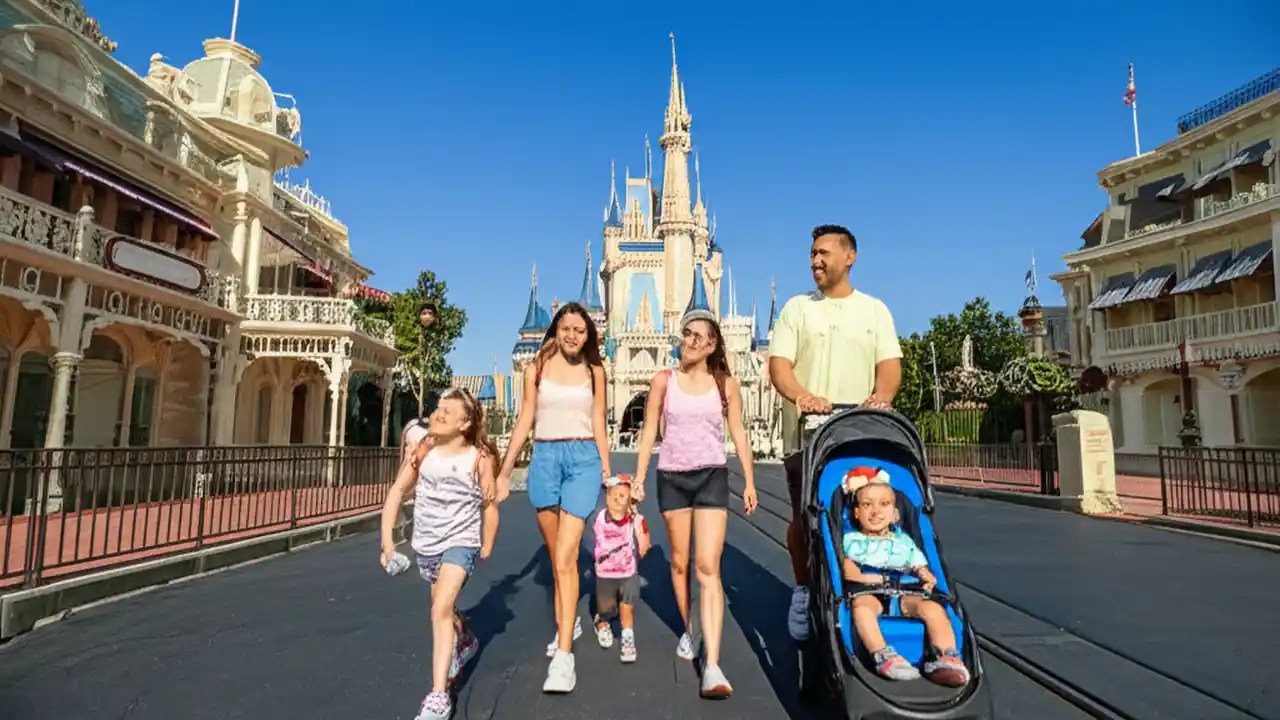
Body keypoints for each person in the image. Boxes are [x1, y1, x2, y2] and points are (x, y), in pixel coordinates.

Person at [769, 224, 903, 642]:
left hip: (859, 435)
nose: (815, 261)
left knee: (865, 517)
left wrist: (880, 398)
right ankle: (804, 588)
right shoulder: (797, 309)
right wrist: (803, 396)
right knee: (804, 518)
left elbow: (889, 368)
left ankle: (873, 587)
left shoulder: (874, 310)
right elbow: (779, 366)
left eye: (824, 253)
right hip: (807, 437)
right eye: (812, 254)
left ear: (850, 256)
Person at [632, 309, 759, 699]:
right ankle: (689, 628)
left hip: (711, 477)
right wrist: (638, 477)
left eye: (696, 335)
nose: (688, 340)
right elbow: (650, 428)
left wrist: (750, 481)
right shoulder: (662, 381)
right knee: (679, 562)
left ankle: (714, 665)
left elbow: (737, 430)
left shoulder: (725, 384)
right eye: (686, 333)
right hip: (672, 477)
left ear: (711, 345)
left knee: (708, 567)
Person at [496, 301, 611, 694]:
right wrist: (505, 469)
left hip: (582, 459)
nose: (573, 335)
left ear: (588, 335)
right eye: (567, 328)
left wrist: (608, 471)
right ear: (556, 330)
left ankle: (564, 656)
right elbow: (525, 418)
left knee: (565, 556)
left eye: (580, 330)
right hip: (545, 458)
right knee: (556, 554)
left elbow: (598, 420)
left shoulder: (596, 372)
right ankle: (570, 613)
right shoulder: (537, 369)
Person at [379, 387, 500, 720]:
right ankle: (465, 639)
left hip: (461, 541)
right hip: (427, 544)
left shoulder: (479, 458)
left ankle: (438, 695)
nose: (439, 412)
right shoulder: (424, 450)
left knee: (441, 608)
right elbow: (397, 493)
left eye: (449, 410)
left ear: (465, 423)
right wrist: (388, 543)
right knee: (442, 609)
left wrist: (487, 541)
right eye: (438, 408)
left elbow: (490, 507)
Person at [840, 467, 969, 686]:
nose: (876, 511)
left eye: (884, 504)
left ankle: (947, 655)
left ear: (895, 513)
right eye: (867, 504)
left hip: (905, 592)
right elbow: (849, 571)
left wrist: (925, 574)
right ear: (856, 513)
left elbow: (918, 565)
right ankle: (881, 654)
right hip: (868, 591)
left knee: (933, 608)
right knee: (862, 609)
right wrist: (876, 580)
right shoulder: (851, 540)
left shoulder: (904, 542)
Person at [591, 474, 651, 663]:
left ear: (629, 501)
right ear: (606, 499)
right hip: (605, 572)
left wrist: (642, 541)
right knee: (607, 607)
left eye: (622, 496)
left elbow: (644, 536)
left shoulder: (634, 518)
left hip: (627, 571)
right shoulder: (600, 518)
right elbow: (599, 539)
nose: (617, 500)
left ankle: (627, 636)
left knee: (627, 604)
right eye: (613, 496)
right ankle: (602, 622)